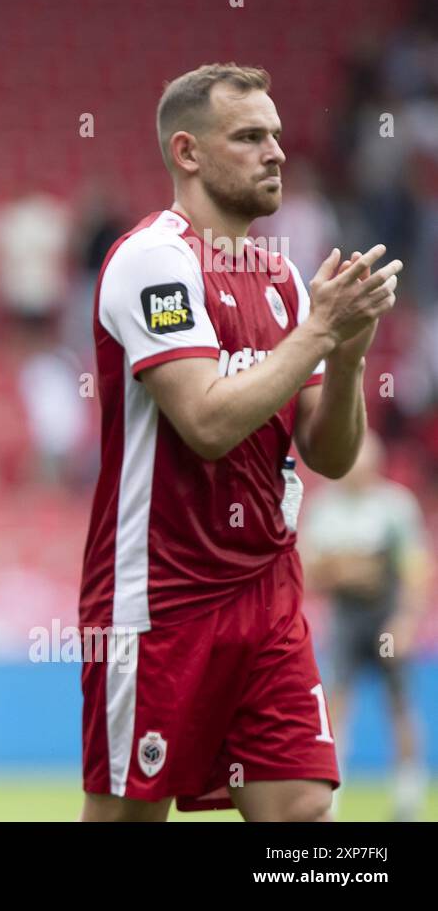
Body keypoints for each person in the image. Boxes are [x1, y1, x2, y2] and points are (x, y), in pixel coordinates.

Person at [79, 63, 401, 821]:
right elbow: (208, 424)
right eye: (250, 137)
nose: (277, 153)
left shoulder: (284, 280)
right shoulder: (152, 261)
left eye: (278, 136)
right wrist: (318, 333)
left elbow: (329, 454)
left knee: (303, 816)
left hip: (268, 595)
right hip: (159, 601)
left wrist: (347, 355)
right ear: (187, 152)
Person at [301, 429, 431, 821]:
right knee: (335, 706)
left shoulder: (394, 506)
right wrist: (346, 572)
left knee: (400, 706)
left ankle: (409, 797)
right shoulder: (324, 507)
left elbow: (413, 570)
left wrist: (406, 620)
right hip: (345, 617)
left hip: (385, 616)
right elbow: (308, 570)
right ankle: (332, 800)